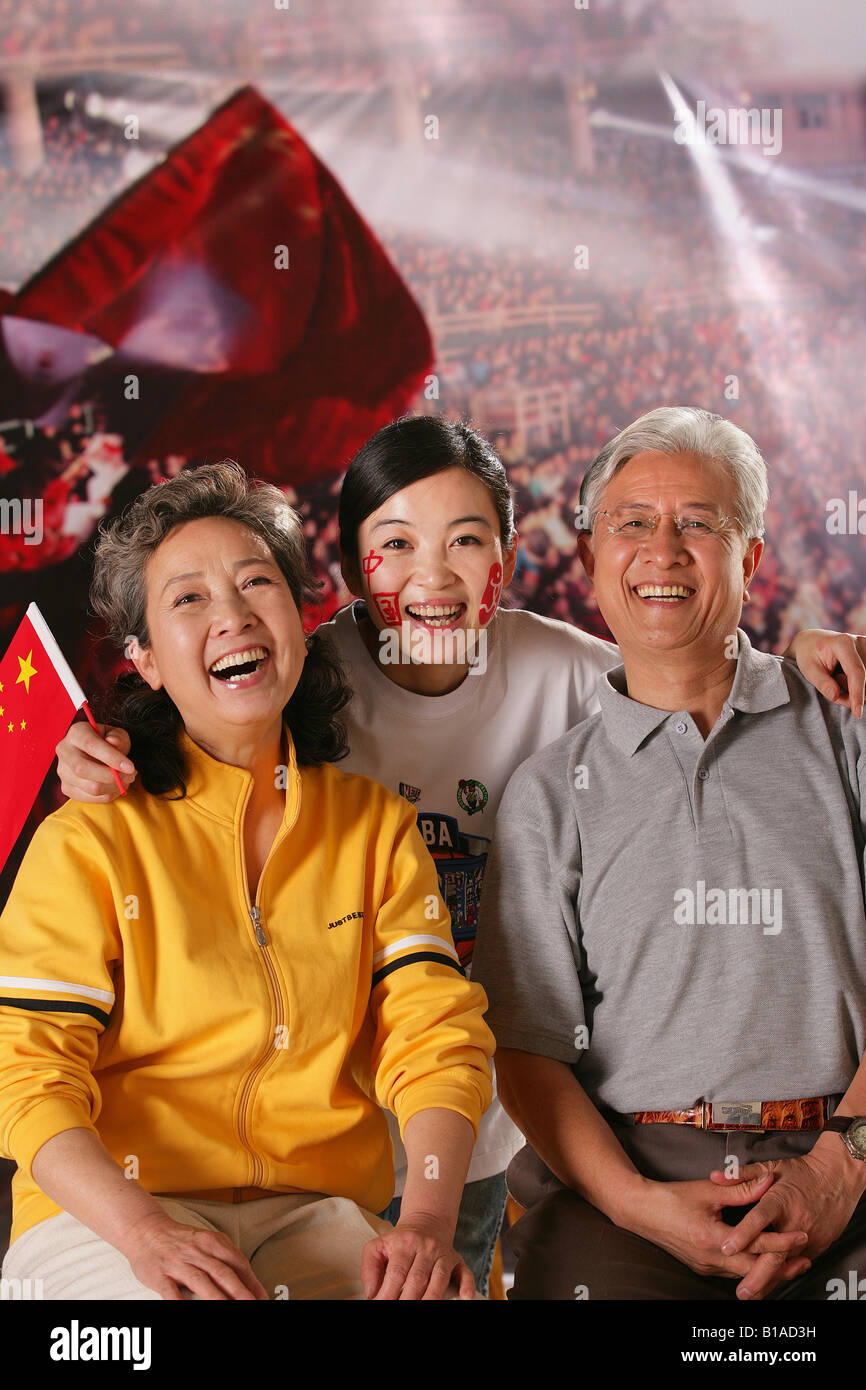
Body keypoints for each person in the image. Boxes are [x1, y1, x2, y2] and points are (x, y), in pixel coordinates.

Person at [51, 414, 866, 1294]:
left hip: (468, 1097)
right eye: (394, 543)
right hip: (332, 1102)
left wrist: (805, 663)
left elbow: (683, 652)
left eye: (466, 540)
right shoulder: (292, 672)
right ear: (351, 565)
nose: (431, 577)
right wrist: (97, 749)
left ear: (505, 559)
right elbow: (202, 698)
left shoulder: (565, 671)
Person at [0, 461, 494, 1301]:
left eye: (256, 581)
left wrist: (424, 1227)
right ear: (146, 659)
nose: (231, 613)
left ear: (300, 623)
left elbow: (435, 1039)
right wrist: (146, 1236)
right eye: (187, 597)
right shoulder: (89, 836)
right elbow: (29, 1075)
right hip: (107, 1220)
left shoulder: (376, 829)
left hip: (322, 1214)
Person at [471, 405, 866, 1300]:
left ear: (752, 560)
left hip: (848, 1147)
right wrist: (641, 1204)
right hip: (635, 1185)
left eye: (700, 524)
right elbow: (529, 1053)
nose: (663, 549)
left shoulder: (847, 731)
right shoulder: (545, 793)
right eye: (632, 523)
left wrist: (841, 1168)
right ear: (590, 562)